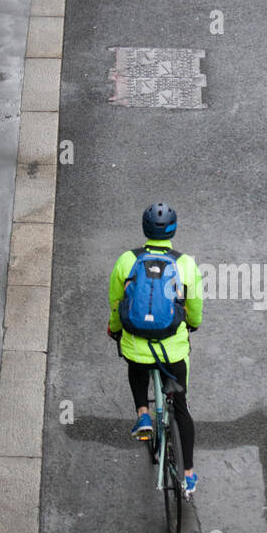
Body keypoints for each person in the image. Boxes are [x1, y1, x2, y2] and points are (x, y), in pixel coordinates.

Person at [108, 201, 203, 497]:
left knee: (136, 366)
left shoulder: (127, 260)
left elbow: (116, 303)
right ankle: (187, 476)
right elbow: (195, 308)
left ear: (144, 228)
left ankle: (143, 414)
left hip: (137, 346)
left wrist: (115, 328)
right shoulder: (185, 263)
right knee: (182, 409)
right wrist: (193, 324)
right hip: (172, 352)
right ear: (173, 229)